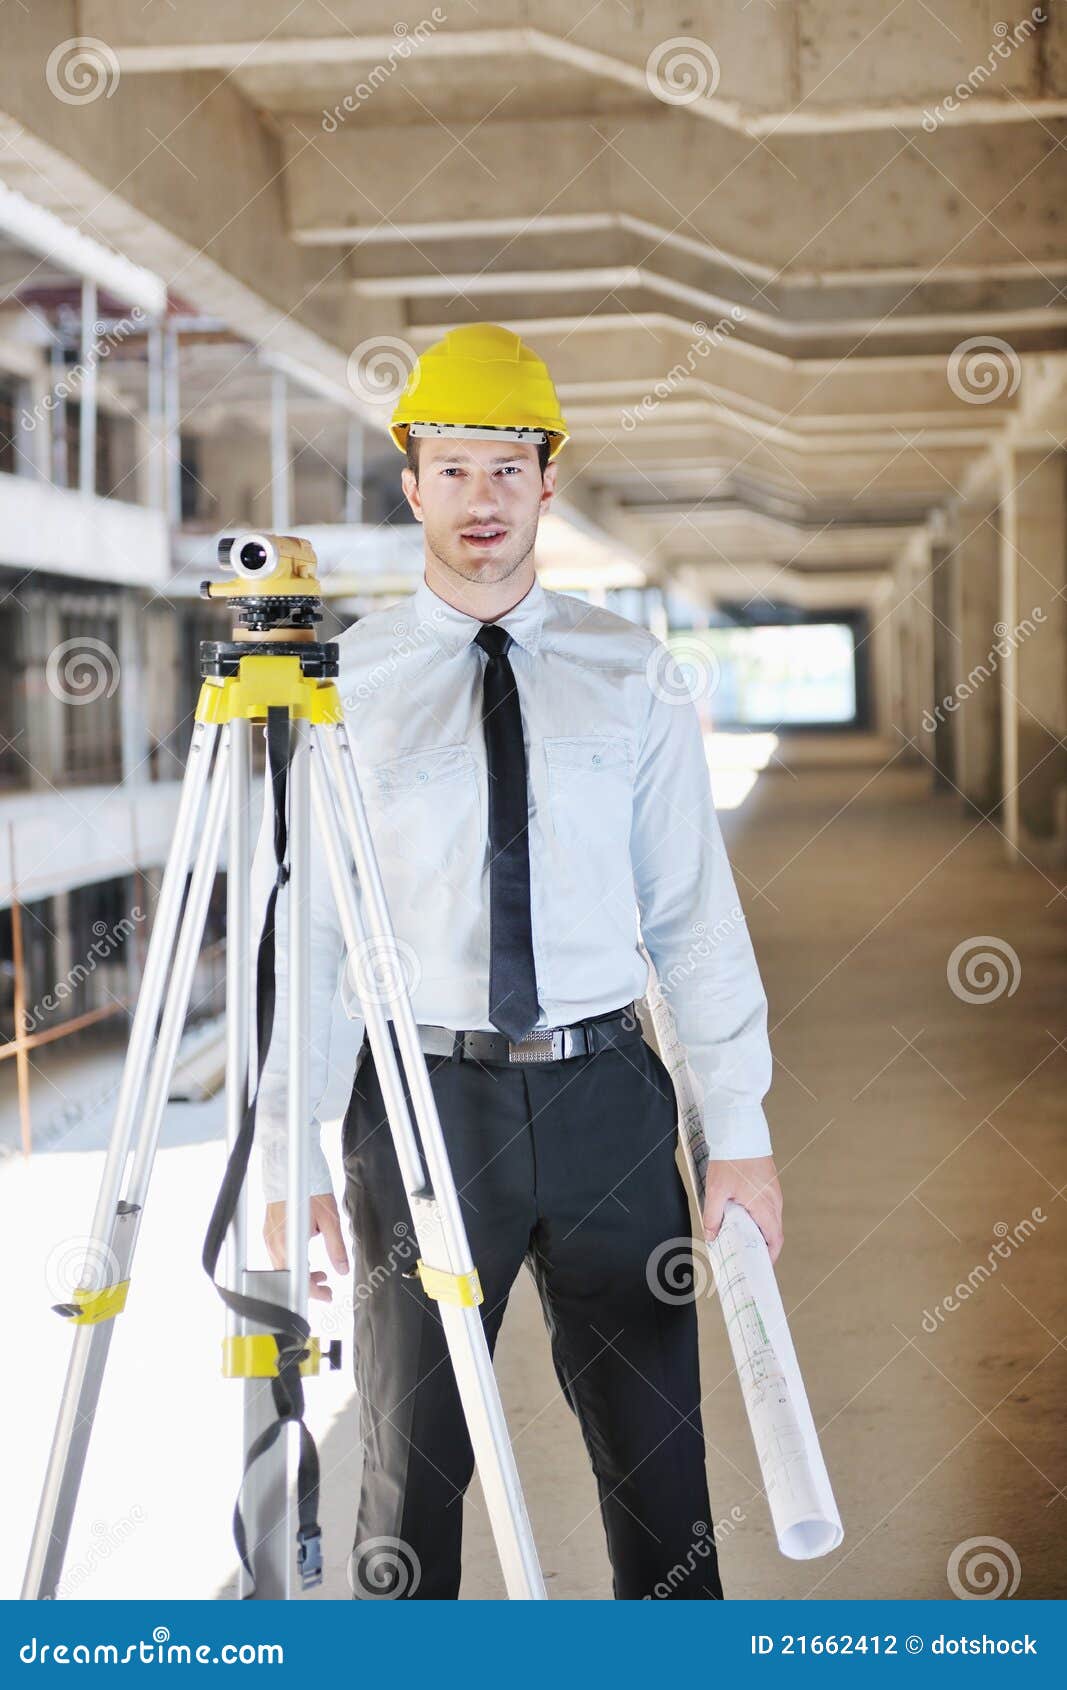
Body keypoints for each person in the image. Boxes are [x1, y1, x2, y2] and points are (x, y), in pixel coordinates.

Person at [250, 322, 782, 1600]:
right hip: (424, 1106)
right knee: (407, 1474)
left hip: (608, 1096)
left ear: (547, 479)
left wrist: (739, 1126)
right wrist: (290, 1148)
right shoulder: (339, 687)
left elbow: (689, 909)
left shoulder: (630, 674)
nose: (480, 498)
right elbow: (310, 931)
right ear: (410, 482)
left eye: (505, 467)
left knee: (661, 1473)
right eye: (453, 467)